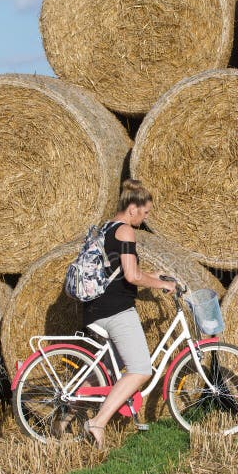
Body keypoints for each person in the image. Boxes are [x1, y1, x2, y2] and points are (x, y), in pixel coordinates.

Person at [82, 179, 175, 449]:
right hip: (116, 310)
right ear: (132, 208)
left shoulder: (106, 228)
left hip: (95, 308)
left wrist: (153, 276)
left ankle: (63, 419)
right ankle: (97, 422)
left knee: (106, 370)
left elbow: (122, 272)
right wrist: (162, 284)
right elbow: (132, 276)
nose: (145, 219)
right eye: (145, 213)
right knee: (140, 369)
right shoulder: (125, 232)